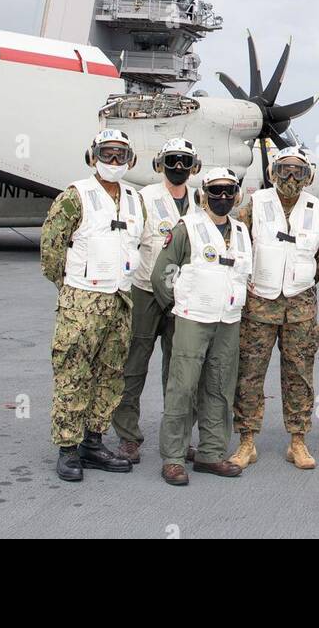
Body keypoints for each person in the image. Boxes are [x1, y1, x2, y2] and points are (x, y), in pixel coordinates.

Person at [39, 129, 145, 482]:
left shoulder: (135, 199)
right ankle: (68, 448)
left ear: (130, 159)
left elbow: (139, 246)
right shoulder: (75, 196)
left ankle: (93, 442)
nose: (113, 161)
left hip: (120, 300)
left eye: (120, 154)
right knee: (73, 373)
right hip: (82, 302)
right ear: (93, 156)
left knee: (111, 374)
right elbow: (51, 249)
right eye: (107, 153)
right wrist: (71, 287)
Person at [232, 145, 319, 472]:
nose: (291, 177)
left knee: (300, 376)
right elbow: (240, 247)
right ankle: (247, 441)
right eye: (284, 170)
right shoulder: (253, 207)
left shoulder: (317, 211)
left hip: (300, 310)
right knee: (249, 374)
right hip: (259, 306)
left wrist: (300, 281)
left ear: (308, 176)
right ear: (272, 173)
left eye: (298, 171)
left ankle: (298, 441)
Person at [152, 167, 252, 486]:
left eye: (228, 192)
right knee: (182, 387)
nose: (222, 198)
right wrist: (176, 307)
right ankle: (174, 457)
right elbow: (162, 273)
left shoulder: (241, 232)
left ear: (236, 196)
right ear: (203, 195)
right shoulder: (187, 228)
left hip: (227, 321)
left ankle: (211, 453)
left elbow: (244, 275)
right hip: (193, 319)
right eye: (215, 192)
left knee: (220, 388)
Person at [111, 138, 201, 463]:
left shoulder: (201, 203)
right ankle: (128, 436)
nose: (179, 167)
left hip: (183, 297)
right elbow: (128, 243)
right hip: (146, 292)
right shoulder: (145, 199)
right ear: (160, 164)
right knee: (134, 366)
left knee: (179, 370)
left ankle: (176, 438)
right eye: (173, 160)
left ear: (195, 167)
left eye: (185, 161)